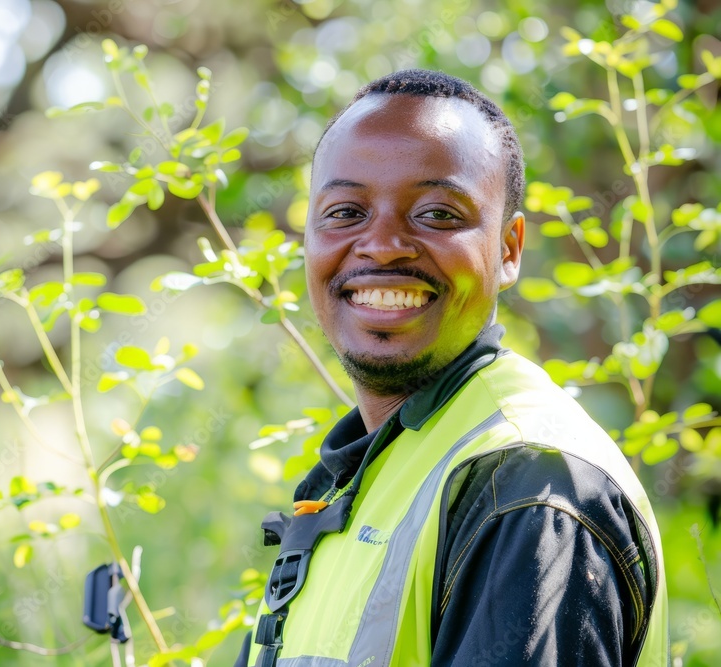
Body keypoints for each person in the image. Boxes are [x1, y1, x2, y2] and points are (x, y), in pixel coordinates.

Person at [233, 70, 668, 667]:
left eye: (437, 214)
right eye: (345, 212)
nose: (382, 245)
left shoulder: (528, 484)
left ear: (508, 249)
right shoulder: (373, 477)